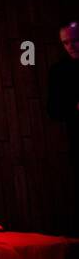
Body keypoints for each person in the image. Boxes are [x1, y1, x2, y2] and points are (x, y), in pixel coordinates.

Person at [46, 20, 79, 232]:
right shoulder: (60, 71)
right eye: (66, 43)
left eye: (75, 41)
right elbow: (54, 109)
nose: (70, 47)